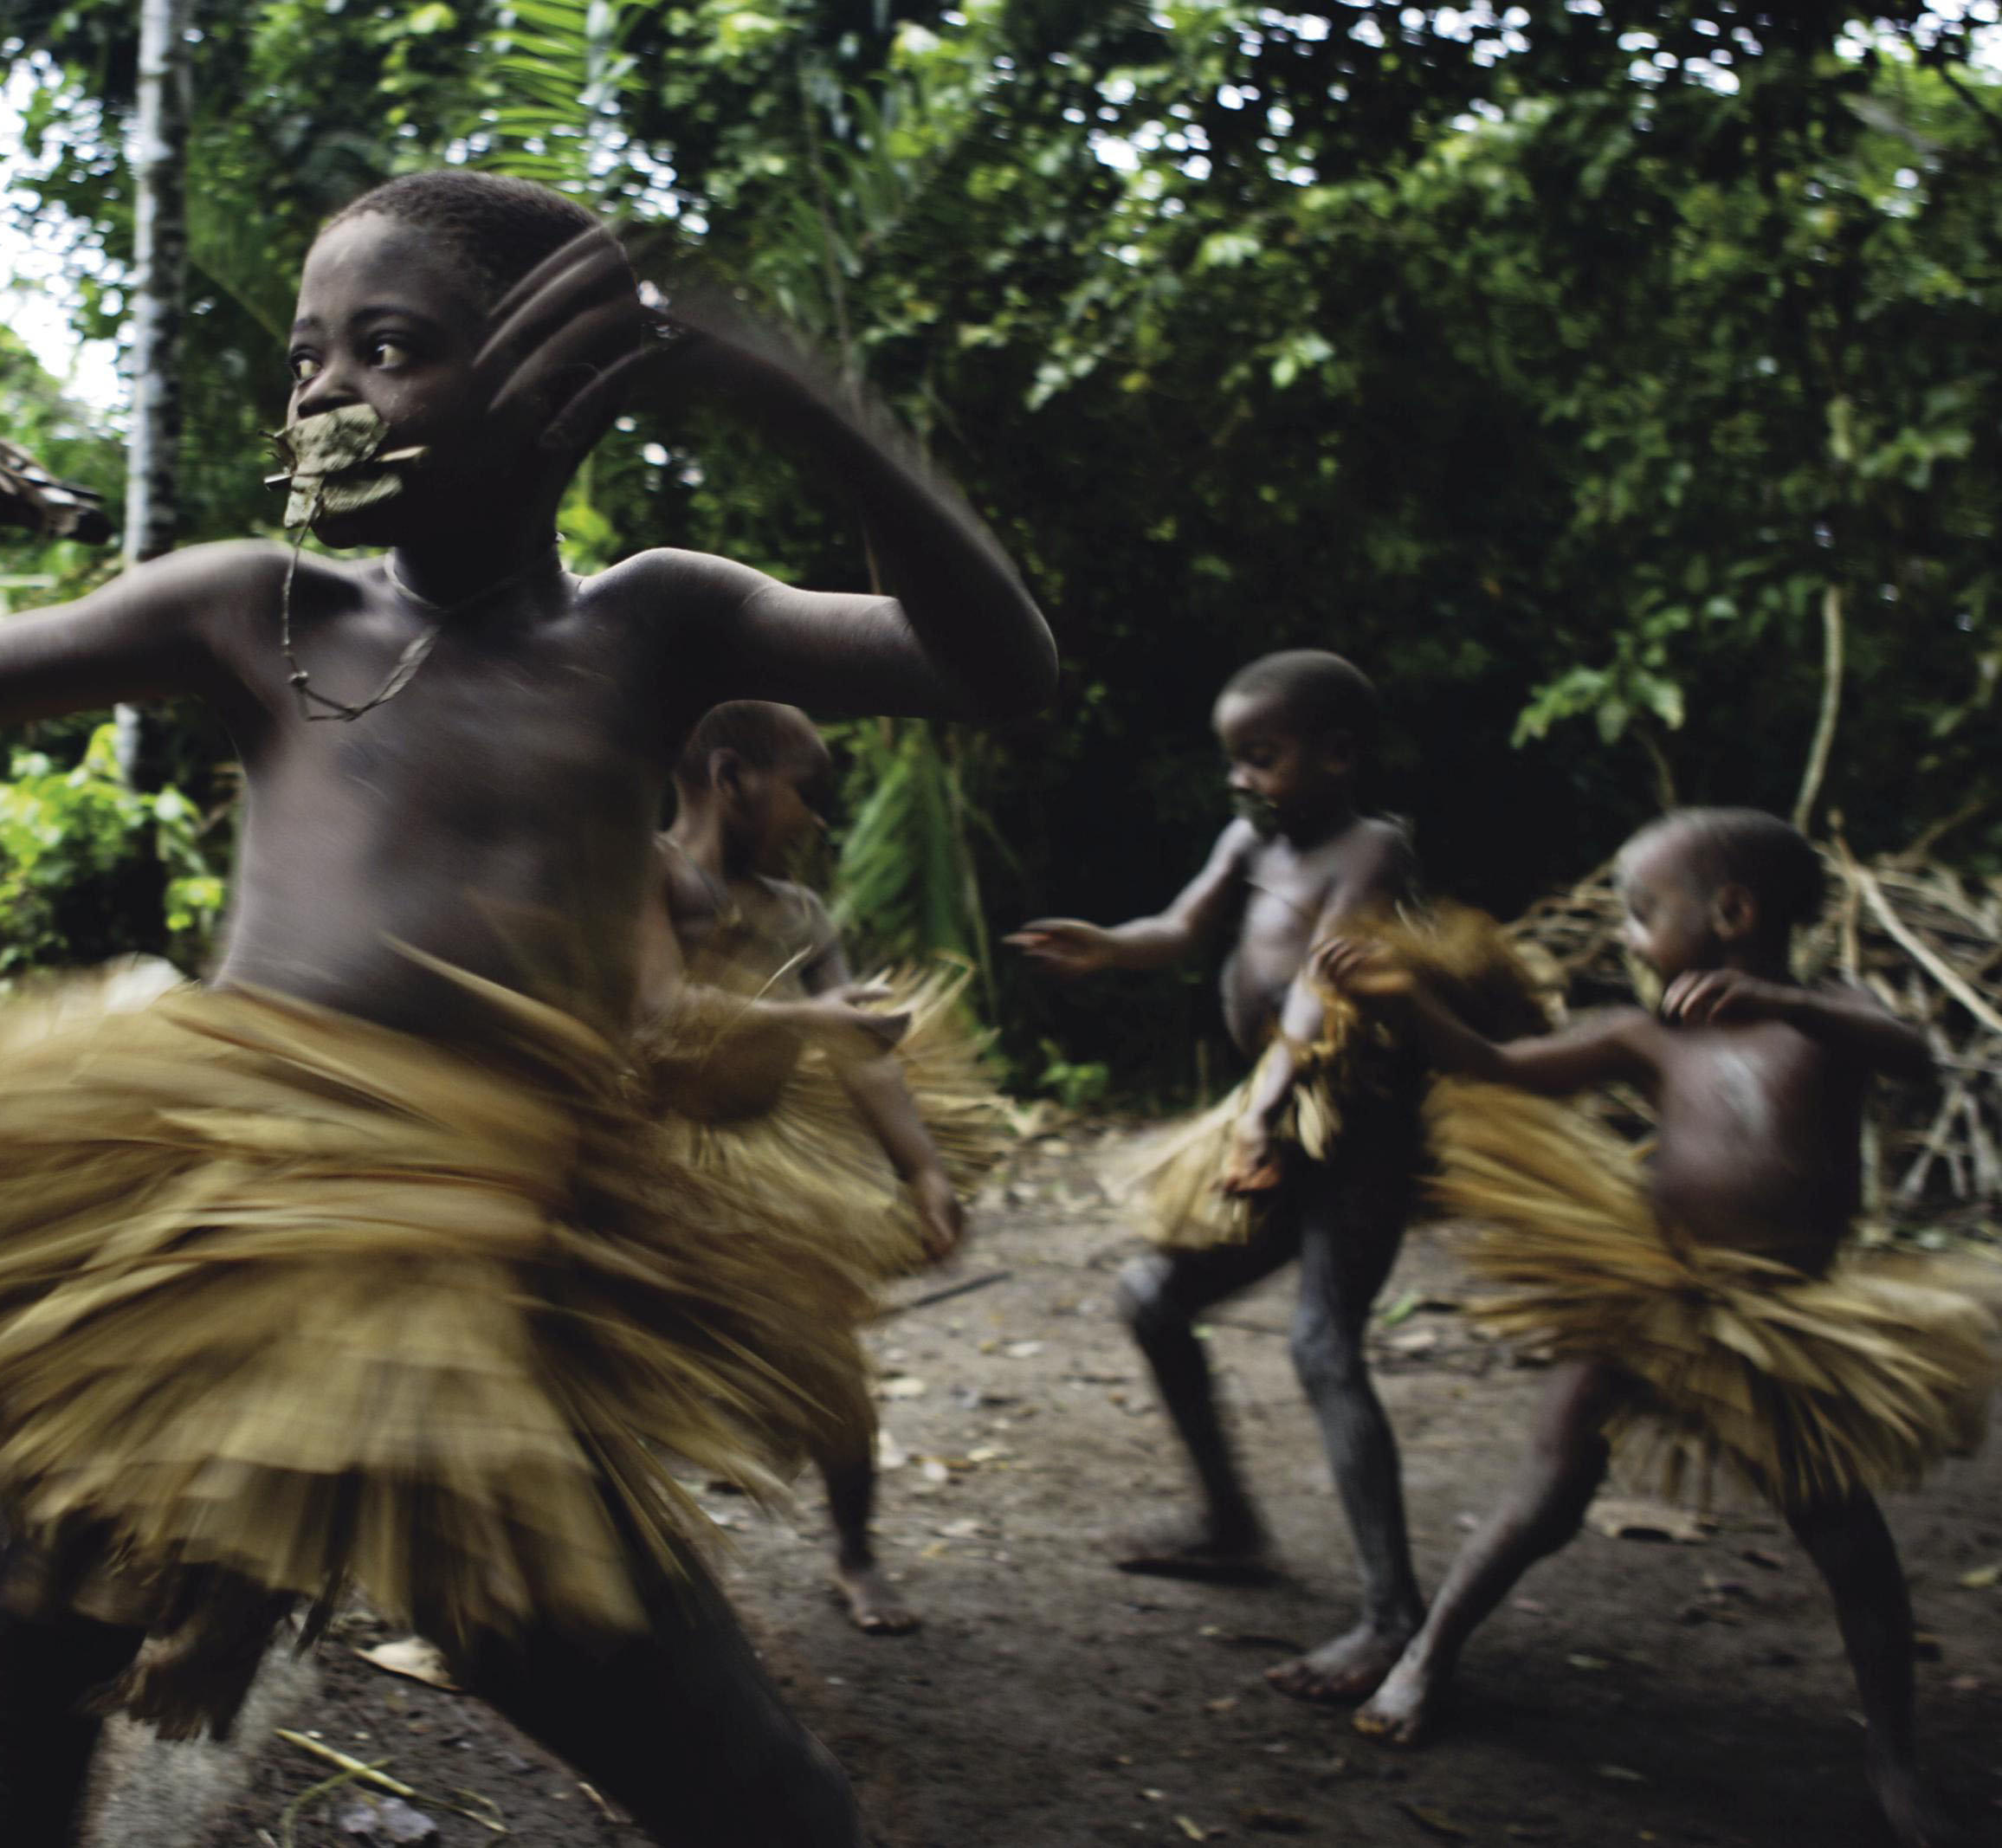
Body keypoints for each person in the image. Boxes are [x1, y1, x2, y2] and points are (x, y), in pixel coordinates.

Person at [0, 169, 1056, 1848]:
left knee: (752, 1793)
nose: (324, 388)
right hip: (200, 1239)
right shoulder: (263, 606)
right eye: (309, 354)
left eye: (387, 349)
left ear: (558, 388)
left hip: (488, 1291)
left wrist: (790, 395)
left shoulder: (656, 624)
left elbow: (996, 669)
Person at [1314, 808, 1994, 1848]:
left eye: (1642, 914)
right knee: (1543, 1493)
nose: (1629, 937)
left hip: (1778, 1323)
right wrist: (1407, 1002)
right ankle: (1426, 1654)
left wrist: (1777, 998)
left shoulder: (1829, 1018)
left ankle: (1893, 1761)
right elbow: (1500, 1065)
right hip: (1648, 1295)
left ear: (1731, 913)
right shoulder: (1646, 1037)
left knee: (1846, 1542)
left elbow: (1905, 1051)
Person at [1007, 651, 1540, 1705]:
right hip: (1270, 1123)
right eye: (1233, 762)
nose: (1241, 780)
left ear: (1336, 755)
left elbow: (1320, 985)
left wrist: (1259, 1113)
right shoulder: (1249, 837)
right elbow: (1180, 926)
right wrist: (1108, 948)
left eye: (1261, 757)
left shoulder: (1370, 848)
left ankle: (1390, 1613)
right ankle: (1228, 1525)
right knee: (1151, 1295)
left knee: (1320, 1345)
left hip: (1351, 1129)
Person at [638, 699, 1008, 1633]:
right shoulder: (646, 872)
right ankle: (632, 1584)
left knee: (831, 1373)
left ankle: (854, 1552)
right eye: (806, 793)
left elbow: (862, 1052)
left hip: (770, 1156)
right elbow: (655, 1011)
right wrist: (810, 1017)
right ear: (731, 780)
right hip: (649, 1161)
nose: (818, 819)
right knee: (634, 1369)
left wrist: (921, 1167)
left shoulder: (798, 911)